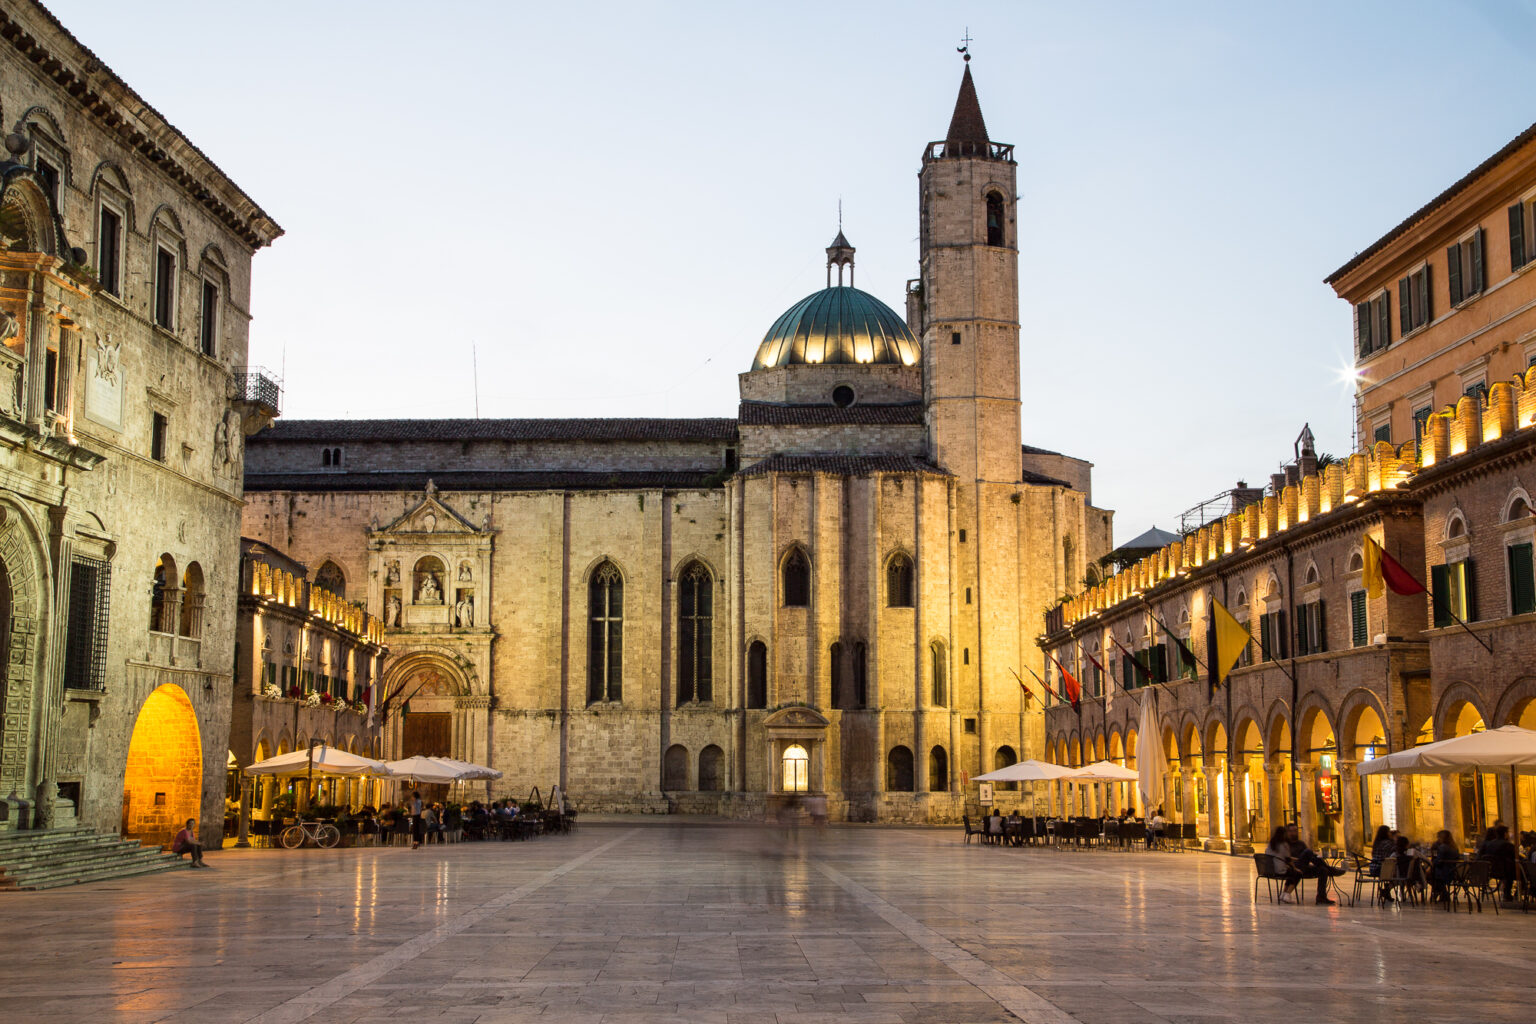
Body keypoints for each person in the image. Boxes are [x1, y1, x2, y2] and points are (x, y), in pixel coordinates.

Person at [1285, 823, 1345, 904]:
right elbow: (1285, 857)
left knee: (1323, 870)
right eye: (1291, 831)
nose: (1293, 833)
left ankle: (1321, 897)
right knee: (1308, 852)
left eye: (1295, 831)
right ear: (1287, 832)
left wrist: (1309, 860)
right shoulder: (1285, 844)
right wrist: (1300, 859)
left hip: (1304, 868)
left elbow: (1310, 857)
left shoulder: (1301, 844)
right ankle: (1331, 869)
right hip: (1293, 868)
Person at [1428, 829, 1460, 903]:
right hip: (1452, 872)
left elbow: (1438, 861)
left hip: (1443, 873)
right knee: (1432, 875)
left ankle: (1441, 892)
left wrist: (1431, 865)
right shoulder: (1454, 847)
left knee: (1428, 876)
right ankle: (1442, 893)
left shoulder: (1443, 847)